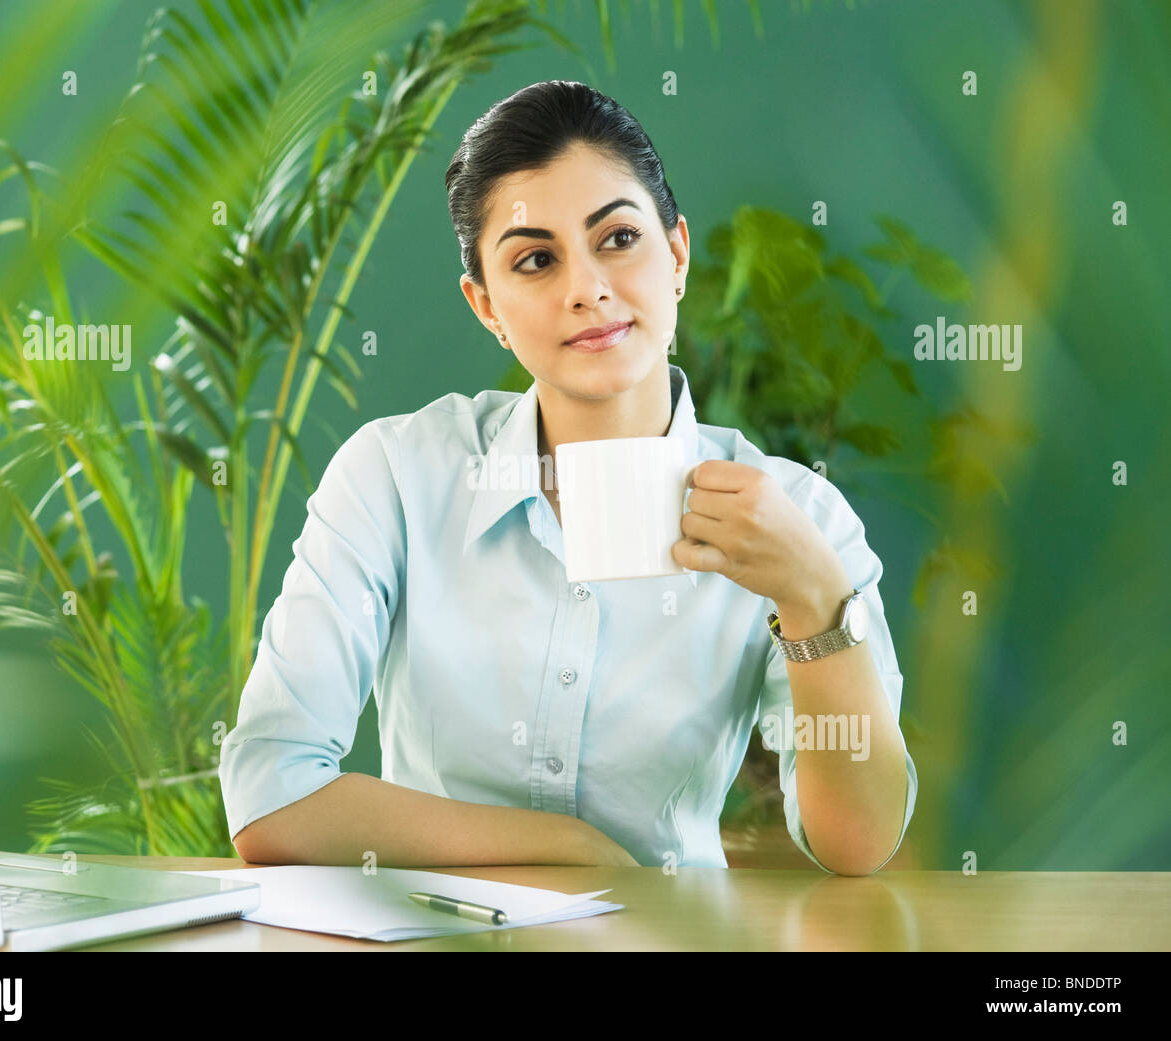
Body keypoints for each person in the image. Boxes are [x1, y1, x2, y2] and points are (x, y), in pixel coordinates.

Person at [220, 80, 917, 874]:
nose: (586, 287)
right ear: (486, 306)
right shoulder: (395, 477)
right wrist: (570, 849)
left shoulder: (796, 515)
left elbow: (856, 845)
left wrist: (815, 598)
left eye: (617, 238)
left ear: (677, 252)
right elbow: (270, 790)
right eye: (536, 259)